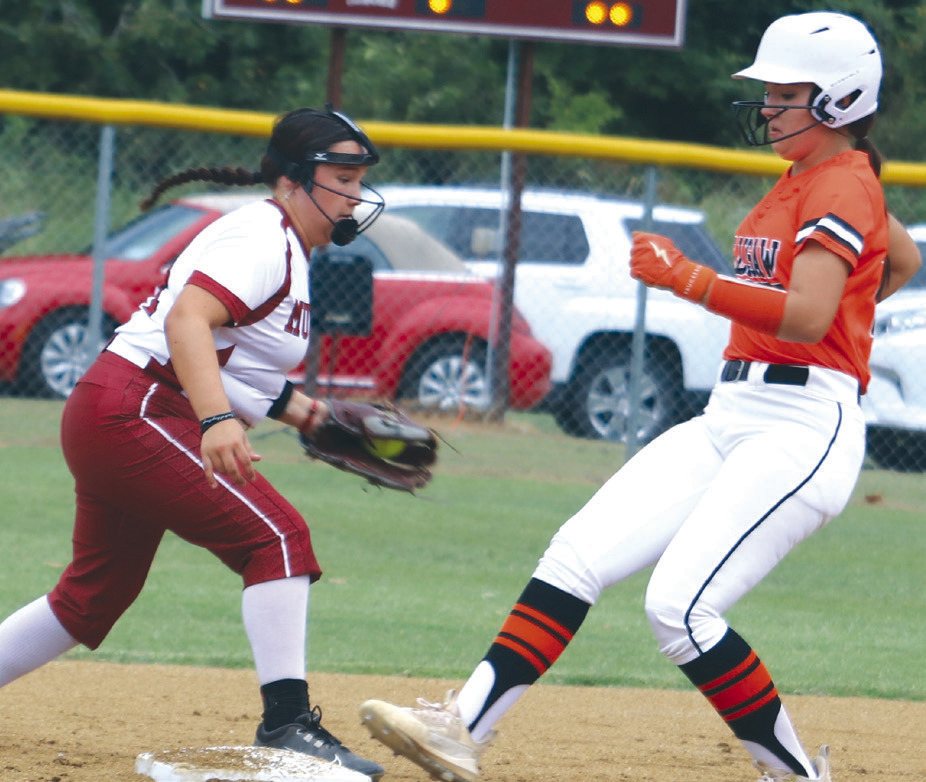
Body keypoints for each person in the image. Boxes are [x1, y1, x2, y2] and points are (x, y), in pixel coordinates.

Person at [358, 13, 918, 782]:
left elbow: (812, 314)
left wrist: (694, 280)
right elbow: (903, 257)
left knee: (680, 609)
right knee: (578, 554)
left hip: (802, 425)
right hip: (733, 413)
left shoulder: (844, 181)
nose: (768, 107)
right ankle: (463, 728)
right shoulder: (813, 180)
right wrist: (858, 303)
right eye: (770, 93)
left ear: (839, 100)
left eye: (787, 93)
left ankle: (794, 775)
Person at [0, 106, 387, 780]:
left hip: (121, 408)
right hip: (136, 410)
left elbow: (230, 362)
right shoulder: (262, 238)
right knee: (276, 539)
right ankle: (287, 727)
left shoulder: (281, 244)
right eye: (342, 176)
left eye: (360, 177)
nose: (355, 193)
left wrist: (310, 417)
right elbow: (190, 320)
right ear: (292, 181)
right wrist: (217, 422)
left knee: (94, 593)